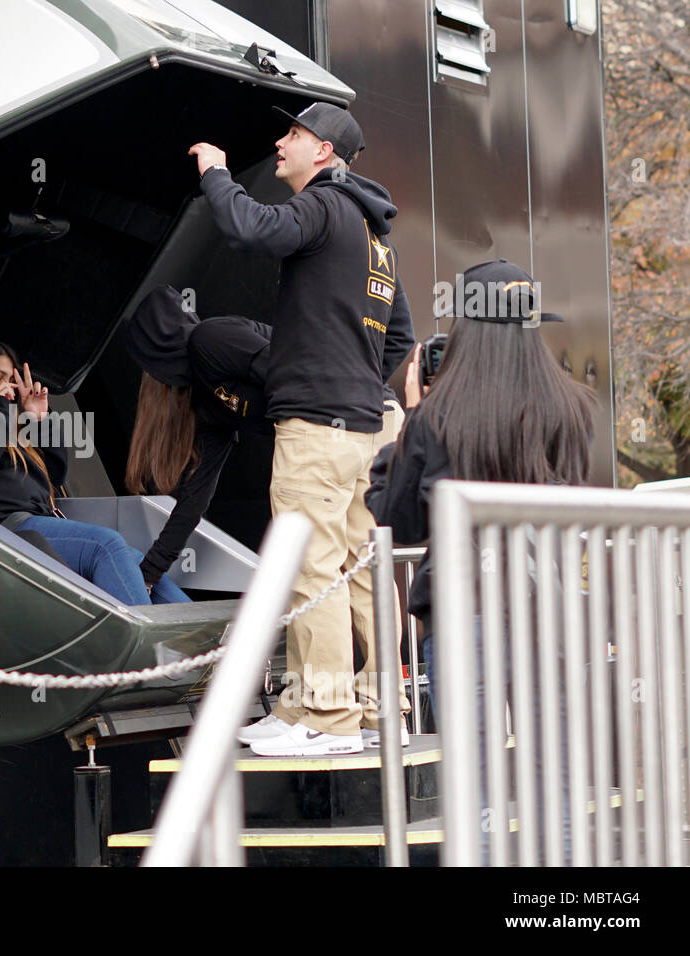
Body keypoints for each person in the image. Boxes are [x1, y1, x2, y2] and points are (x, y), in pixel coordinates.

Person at [189, 103, 415, 756]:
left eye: (292, 134)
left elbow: (249, 226)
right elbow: (397, 333)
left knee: (312, 570)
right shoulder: (375, 235)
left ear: (323, 152)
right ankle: (379, 709)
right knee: (359, 571)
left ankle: (324, 716)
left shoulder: (323, 205)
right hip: (364, 426)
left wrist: (216, 172)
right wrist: (355, 378)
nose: (279, 144)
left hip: (318, 425)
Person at [365, 258, 595, 860]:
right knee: (561, 781)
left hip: (465, 612)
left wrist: (412, 416)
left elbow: (396, 521)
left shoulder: (439, 416)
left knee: (480, 788)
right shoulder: (570, 407)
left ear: (464, 334)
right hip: (552, 609)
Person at [0, 335, 189, 606]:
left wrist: (38, 419)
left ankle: (200, 642)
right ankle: (147, 642)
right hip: (4, 530)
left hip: (39, 525)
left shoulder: (3, 429)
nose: (7, 388)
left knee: (140, 563)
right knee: (106, 545)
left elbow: (56, 472)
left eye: (11, 381)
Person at [123, 285, 274, 593]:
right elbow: (193, 502)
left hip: (339, 422)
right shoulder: (207, 408)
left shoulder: (210, 339)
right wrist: (148, 574)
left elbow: (293, 373)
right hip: (316, 437)